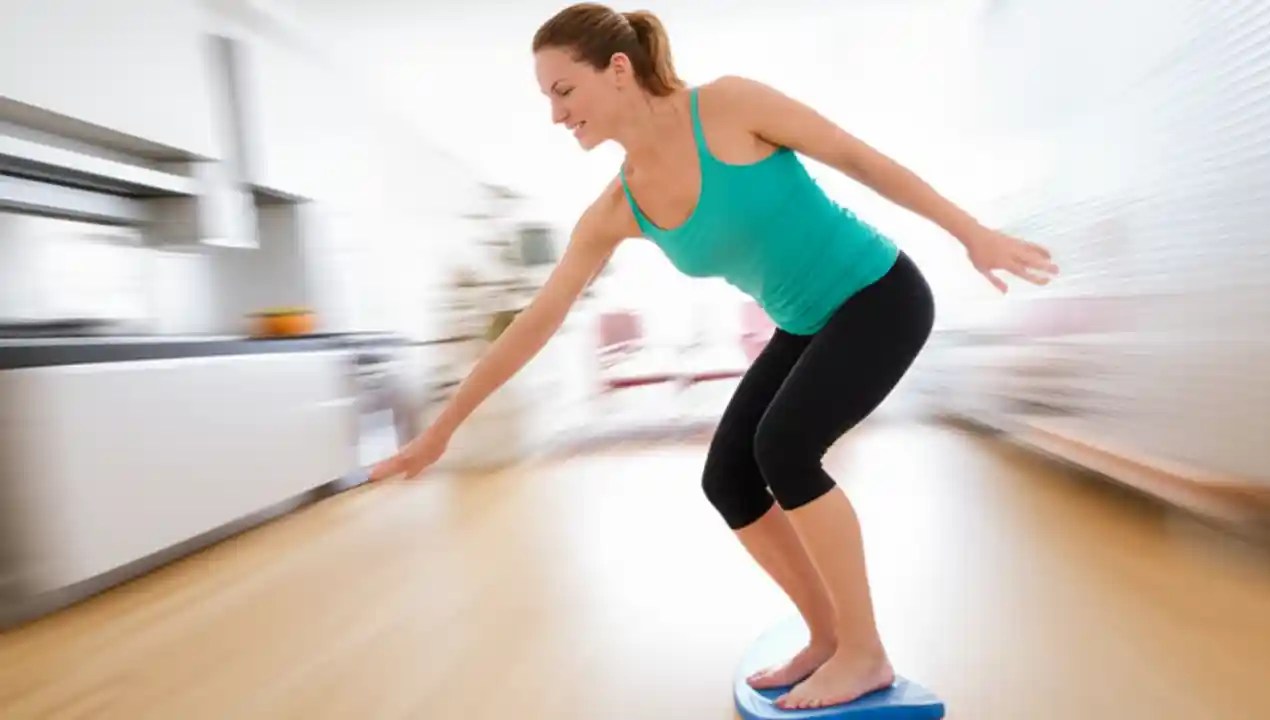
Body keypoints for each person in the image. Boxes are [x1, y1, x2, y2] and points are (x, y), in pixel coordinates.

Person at [370, 2, 1058, 711]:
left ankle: (865, 653)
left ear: (617, 69)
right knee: (729, 476)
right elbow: (536, 321)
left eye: (564, 90)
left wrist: (971, 233)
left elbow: (859, 157)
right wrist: (443, 428)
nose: (555, 114)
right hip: (805, 323)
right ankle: (827, 635)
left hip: (879, 294)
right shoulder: (617, 208)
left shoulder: (729, 107)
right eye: (547, 98)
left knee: (784, 448)